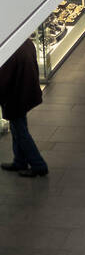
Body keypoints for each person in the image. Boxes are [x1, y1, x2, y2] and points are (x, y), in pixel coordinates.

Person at [0, 38, 49, 178]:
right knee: (17, 128)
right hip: (26, 90)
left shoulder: (9, 52)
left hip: (16, 95)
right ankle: (19, 161)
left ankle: (39, 165)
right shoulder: (24, 41)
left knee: (21, 132)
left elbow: (3, 79)